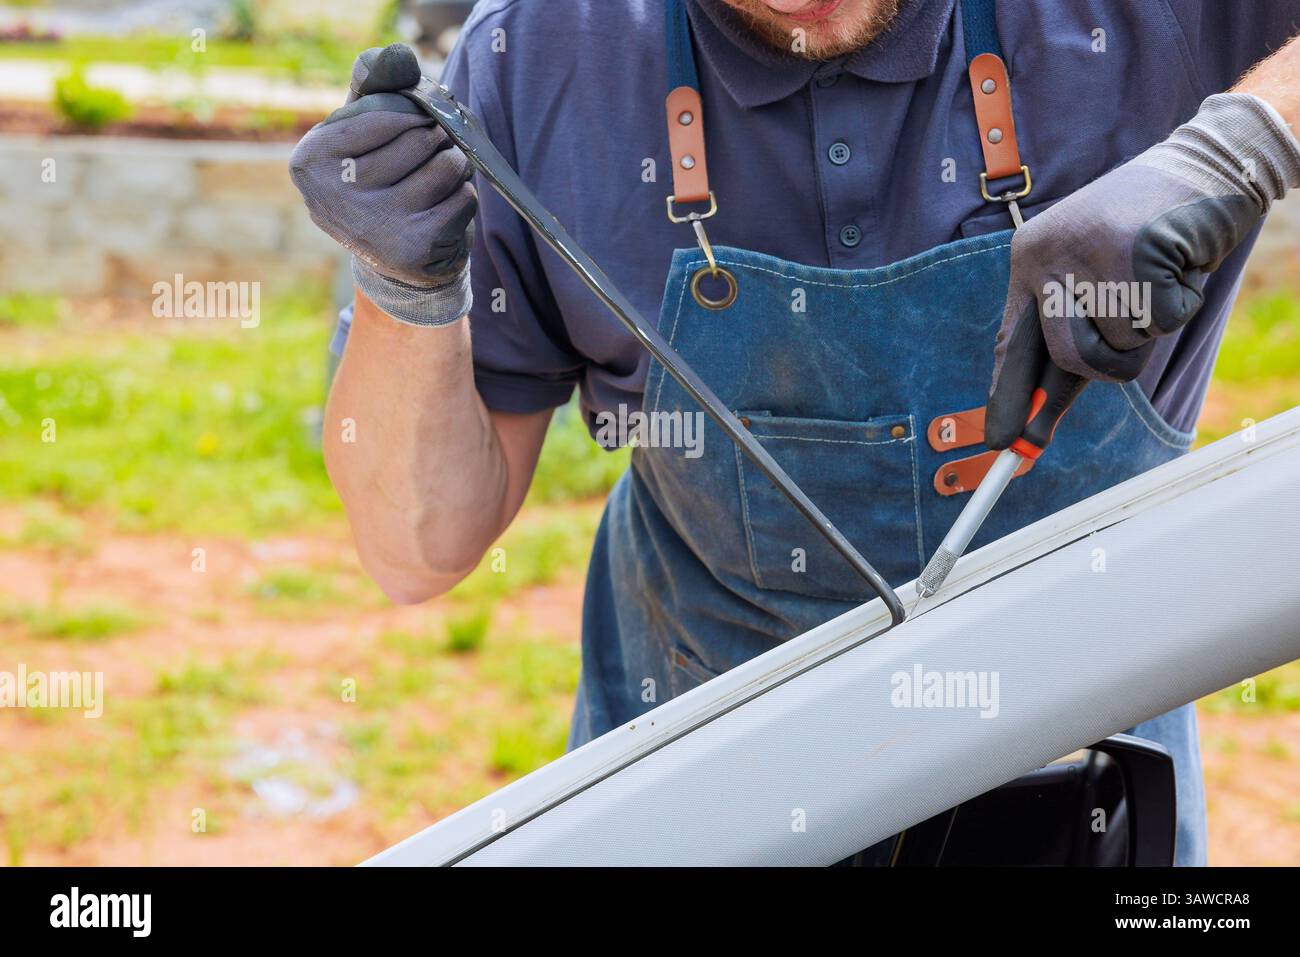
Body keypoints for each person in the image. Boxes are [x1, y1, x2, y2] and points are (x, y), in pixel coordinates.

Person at [290, 0, 1300, 866]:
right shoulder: (546, 54)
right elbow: (416, 551)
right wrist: (405, 292)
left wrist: (1245, 140)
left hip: (1084, 785)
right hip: (701, 795)